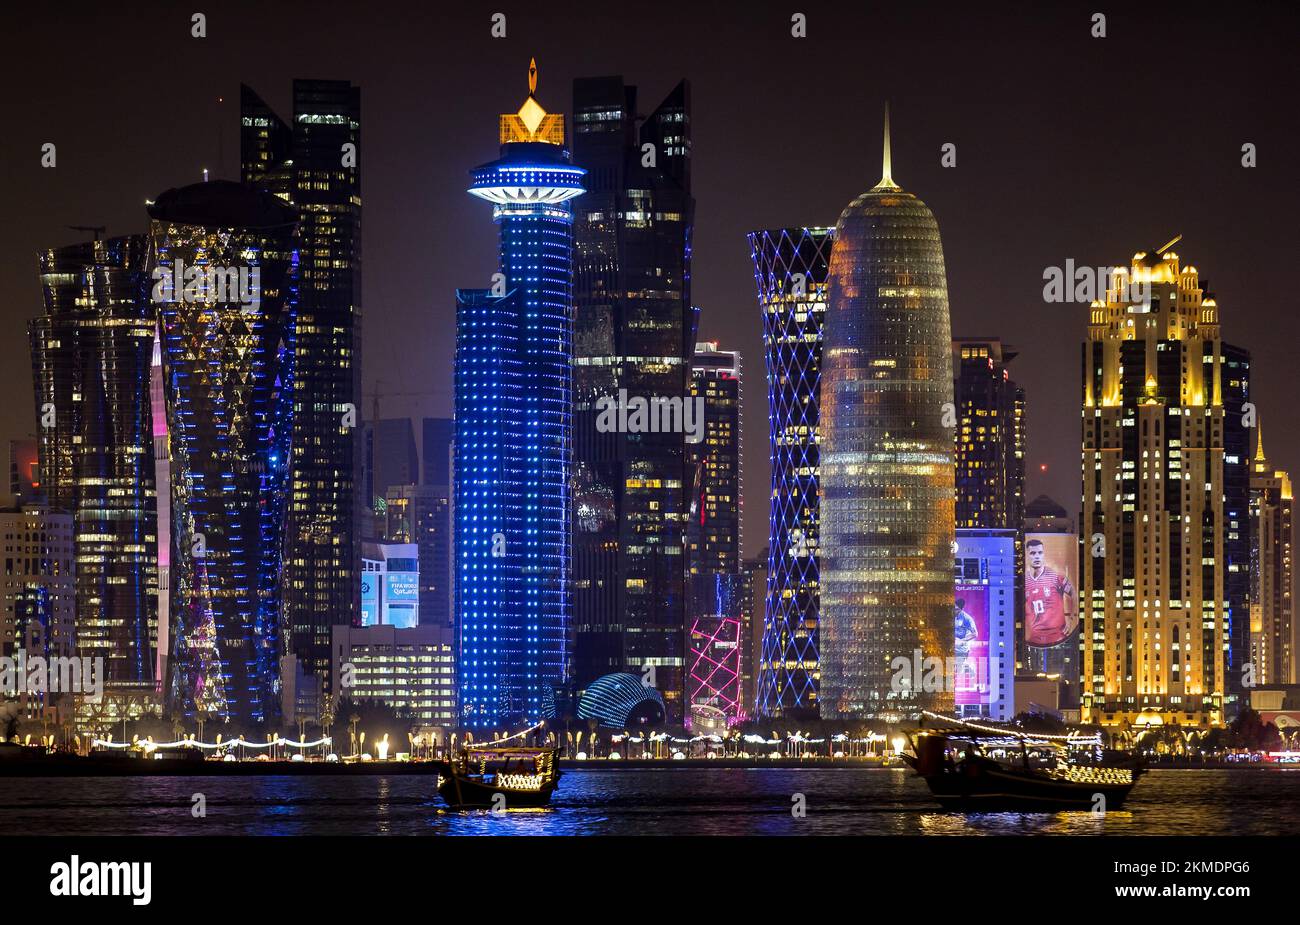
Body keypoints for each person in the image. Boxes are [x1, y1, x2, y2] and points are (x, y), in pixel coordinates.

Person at [1025, 538, 1076, 646]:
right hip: (1035, 638)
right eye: (1033, 553)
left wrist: (1071, 618)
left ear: (1043, 554)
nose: (1037, 556)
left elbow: (1074, 595)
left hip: (1059, 637)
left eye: (1040, 552)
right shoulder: (1025, 581)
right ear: (1027, 555)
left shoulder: (1055, 576)